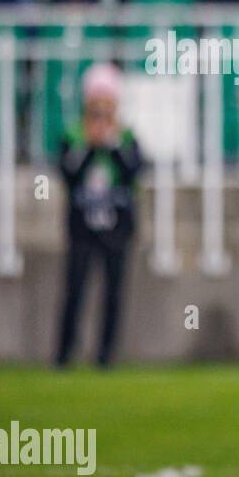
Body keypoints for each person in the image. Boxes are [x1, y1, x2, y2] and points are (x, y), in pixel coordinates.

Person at [55, 64, 144, 369]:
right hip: (82, 227)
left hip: (117, 228)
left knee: (113, 295)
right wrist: (88, 146)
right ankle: (64, 354)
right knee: (74, 292)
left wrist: (113, 142)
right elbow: (67, 174)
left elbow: (135, 171)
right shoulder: (73, 136)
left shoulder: (127, 137)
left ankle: (106, 356)